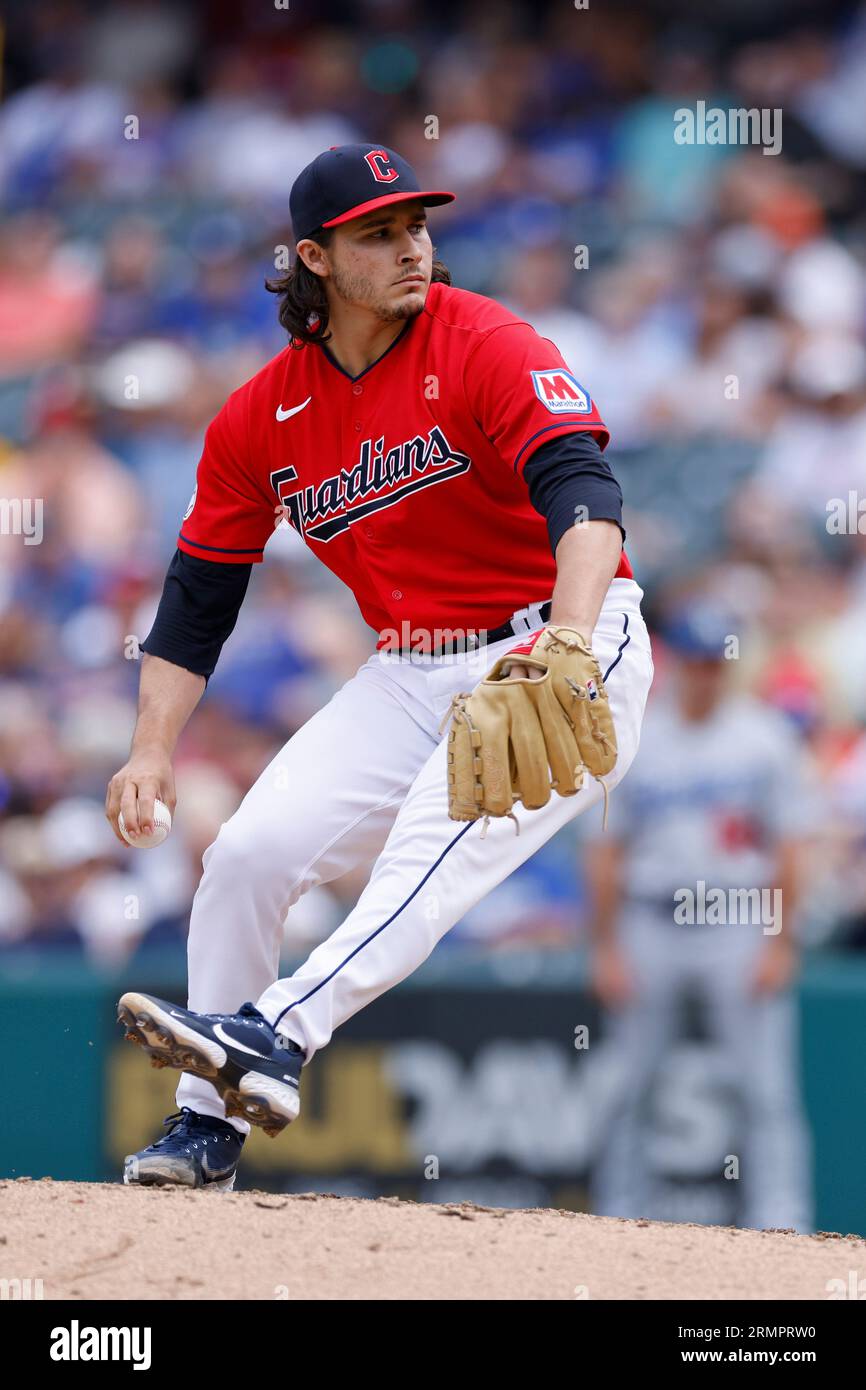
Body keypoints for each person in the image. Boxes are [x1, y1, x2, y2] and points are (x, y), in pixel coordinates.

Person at [106, 143, 653, 1191]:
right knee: (248, 857)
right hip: (408, 669)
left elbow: (585, 494)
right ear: (314, 256)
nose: (411, 248)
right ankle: (204, 1126)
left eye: (416, 226)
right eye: (378, 233)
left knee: (424, 854)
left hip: (563, 636)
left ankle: (276, 1031)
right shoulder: (259, 417)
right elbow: (197, 595)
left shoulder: (484, 337)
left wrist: (565, 646)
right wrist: (150, 748)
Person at [585, 604, 813, 1231]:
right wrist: (604, 947)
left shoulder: (765, 737)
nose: (706, 673)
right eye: (696, 661)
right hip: (649, 922)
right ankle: (617, 1212)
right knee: (630, 1082)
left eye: (717, 662)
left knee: (763, 1086)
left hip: (737, 922)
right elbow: (605, 850)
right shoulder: (635, 736)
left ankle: (781, 1220)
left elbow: (792, 849)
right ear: (676, 662)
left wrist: (779, 942)